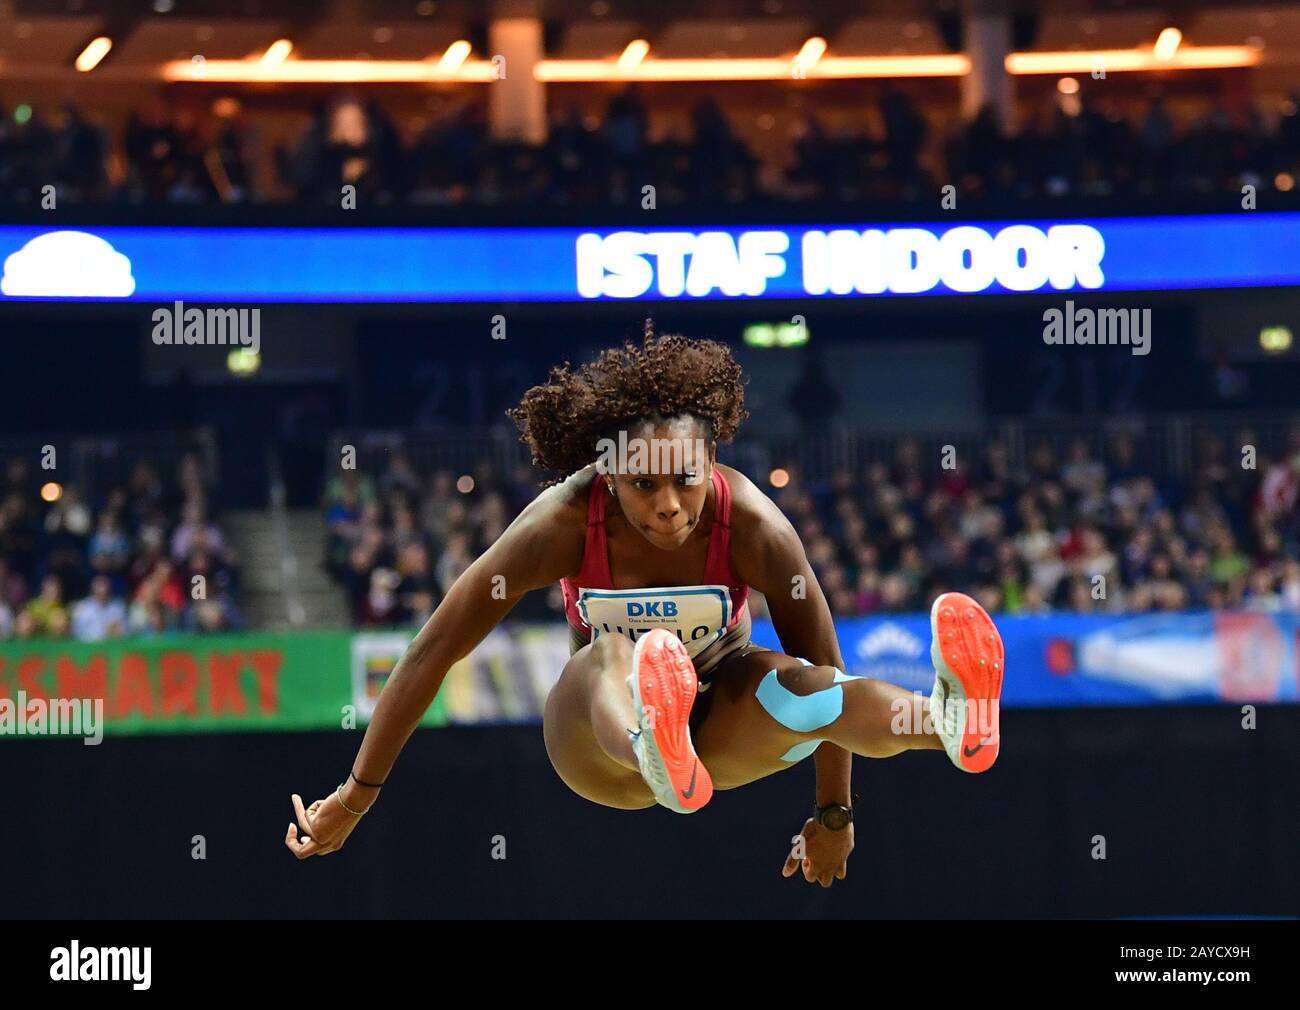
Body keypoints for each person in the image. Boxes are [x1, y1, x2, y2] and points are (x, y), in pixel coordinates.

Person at [285, 331, 1004, 887]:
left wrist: (833, 815)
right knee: (611, 654)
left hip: (715, 728)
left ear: (712, 460)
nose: (667, 507)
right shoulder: (563, 522)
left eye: (685, 481)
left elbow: (827, 666)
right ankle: (651, 744)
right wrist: (354, 798)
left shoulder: (753, 525)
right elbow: (431, 652)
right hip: (597, 746)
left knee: (810, 690)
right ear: (606, 475)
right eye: (641, 486)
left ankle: (941, 720)